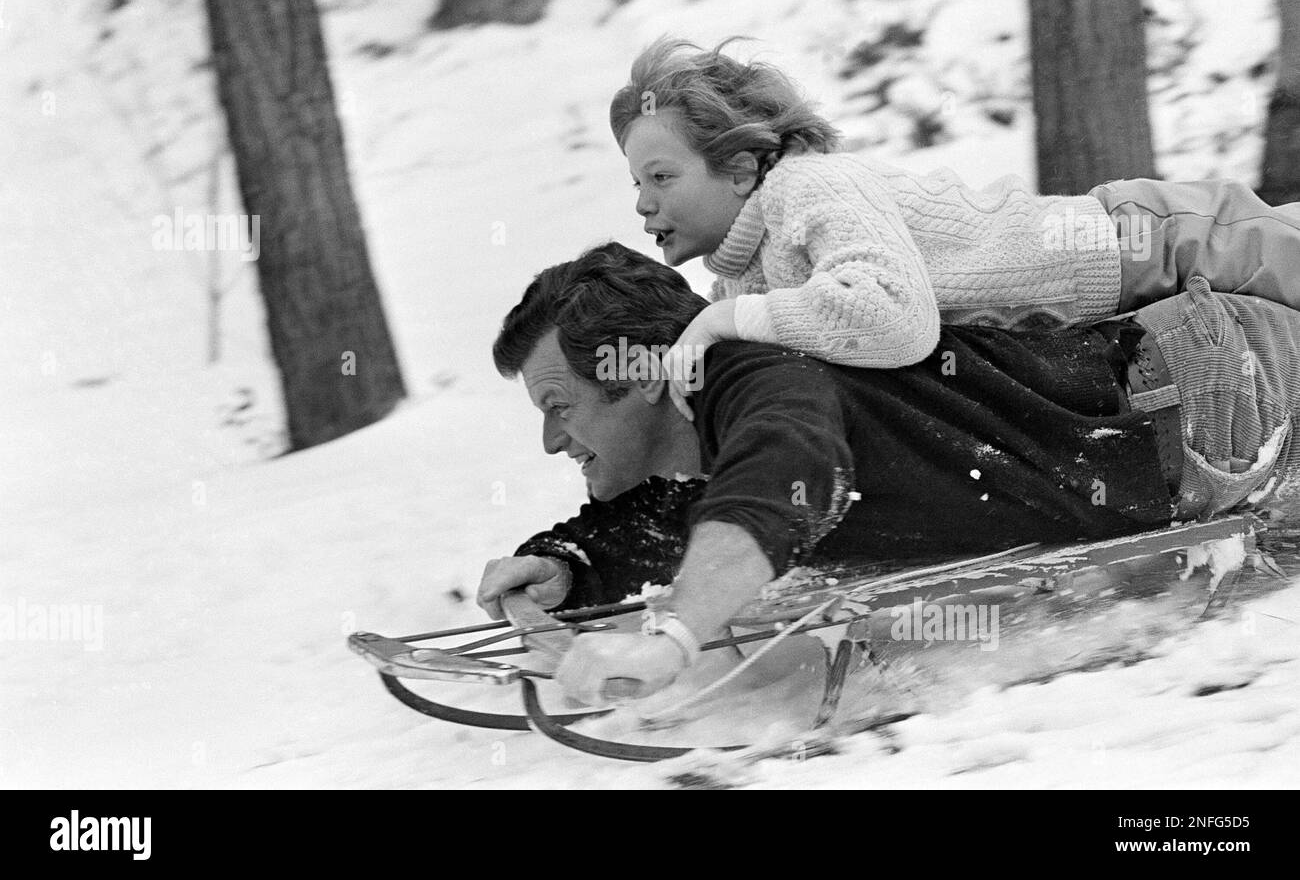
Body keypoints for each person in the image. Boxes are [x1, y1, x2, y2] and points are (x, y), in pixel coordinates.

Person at [477, 243, 1300, 707]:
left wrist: (674, 638)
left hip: (1213, 388)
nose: (554, 442)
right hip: (1183, 425)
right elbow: (688, 515)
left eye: (561, 405)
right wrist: (566, 566)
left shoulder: (763, 379)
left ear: (647, 372)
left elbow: (781, 484)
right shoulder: (703, 429)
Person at [611, 37, 1300, 418]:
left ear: (737, 167)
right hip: (1118, 298)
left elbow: (893, 320)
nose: (643, 203)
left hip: (1141, 243)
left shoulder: (809, 185)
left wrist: (727, 324)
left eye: (662, 177)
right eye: (636, 182)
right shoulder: (740, 272)